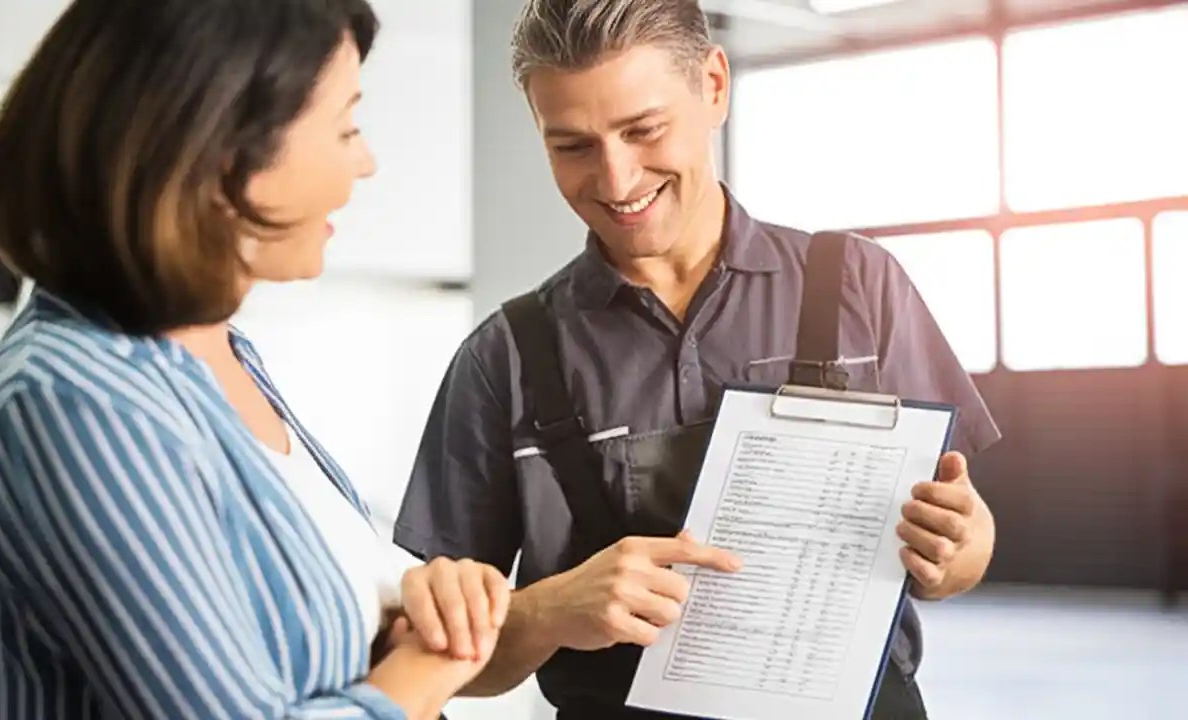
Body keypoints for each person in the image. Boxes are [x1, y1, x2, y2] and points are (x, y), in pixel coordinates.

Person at [392, 1, 1000, 718]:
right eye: (572, 146)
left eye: (643, 130)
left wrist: (957, 548)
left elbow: (963, 549)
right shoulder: (504, 360)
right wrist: (548, 610)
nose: (616, 180)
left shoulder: (861, 287)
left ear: (714, 84)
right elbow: (435, 658)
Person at [0, 1, 508, 718]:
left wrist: (407, 606)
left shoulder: (213, 349)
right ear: (221, 153)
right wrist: (433, 665)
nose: (365, 161)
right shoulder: (76, 400)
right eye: (345, 127)